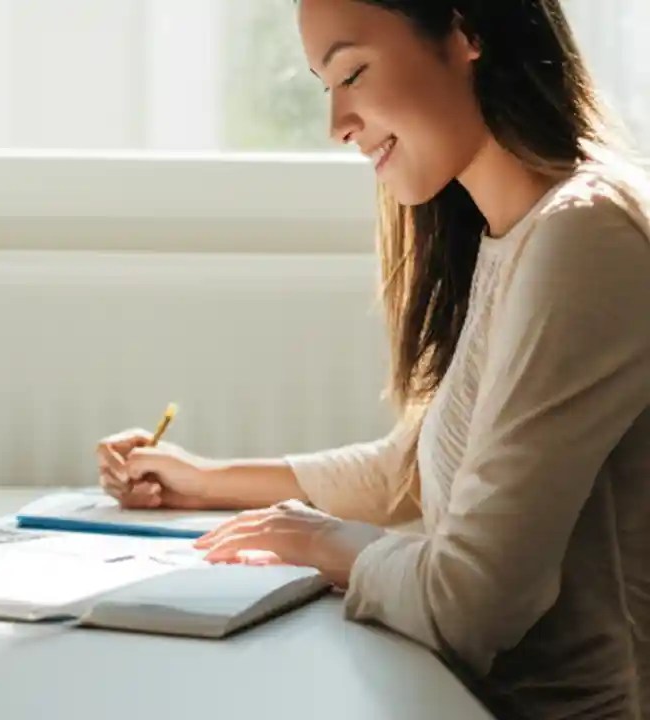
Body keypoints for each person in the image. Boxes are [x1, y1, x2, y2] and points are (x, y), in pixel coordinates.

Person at [95, 1, 650, 717]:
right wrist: (203, 481)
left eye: (352, 73)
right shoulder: (511, 232)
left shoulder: (585, 235)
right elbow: (411, 470)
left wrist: (323, 543)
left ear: (467, 32)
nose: (338, 126)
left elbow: (470, 602)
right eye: (327, 87)